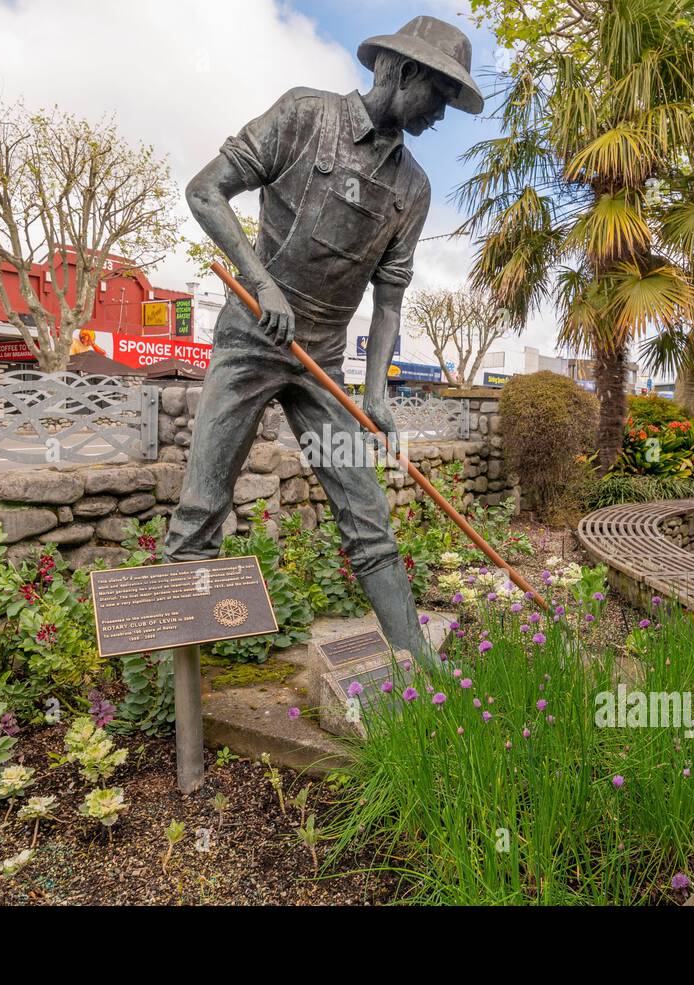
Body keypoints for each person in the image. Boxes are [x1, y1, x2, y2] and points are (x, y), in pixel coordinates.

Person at [163, 16, 483, 656]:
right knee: (201, 508)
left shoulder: (413, 188)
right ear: (401, 71)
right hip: (254, 335)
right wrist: (262, 285)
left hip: (324, 360)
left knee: (368, 519)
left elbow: (389, 301)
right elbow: (205, 191)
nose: (442, 116)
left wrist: (377, 397)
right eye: (439, 96)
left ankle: (419, 671)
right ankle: (179, 690)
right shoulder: (304, 116)